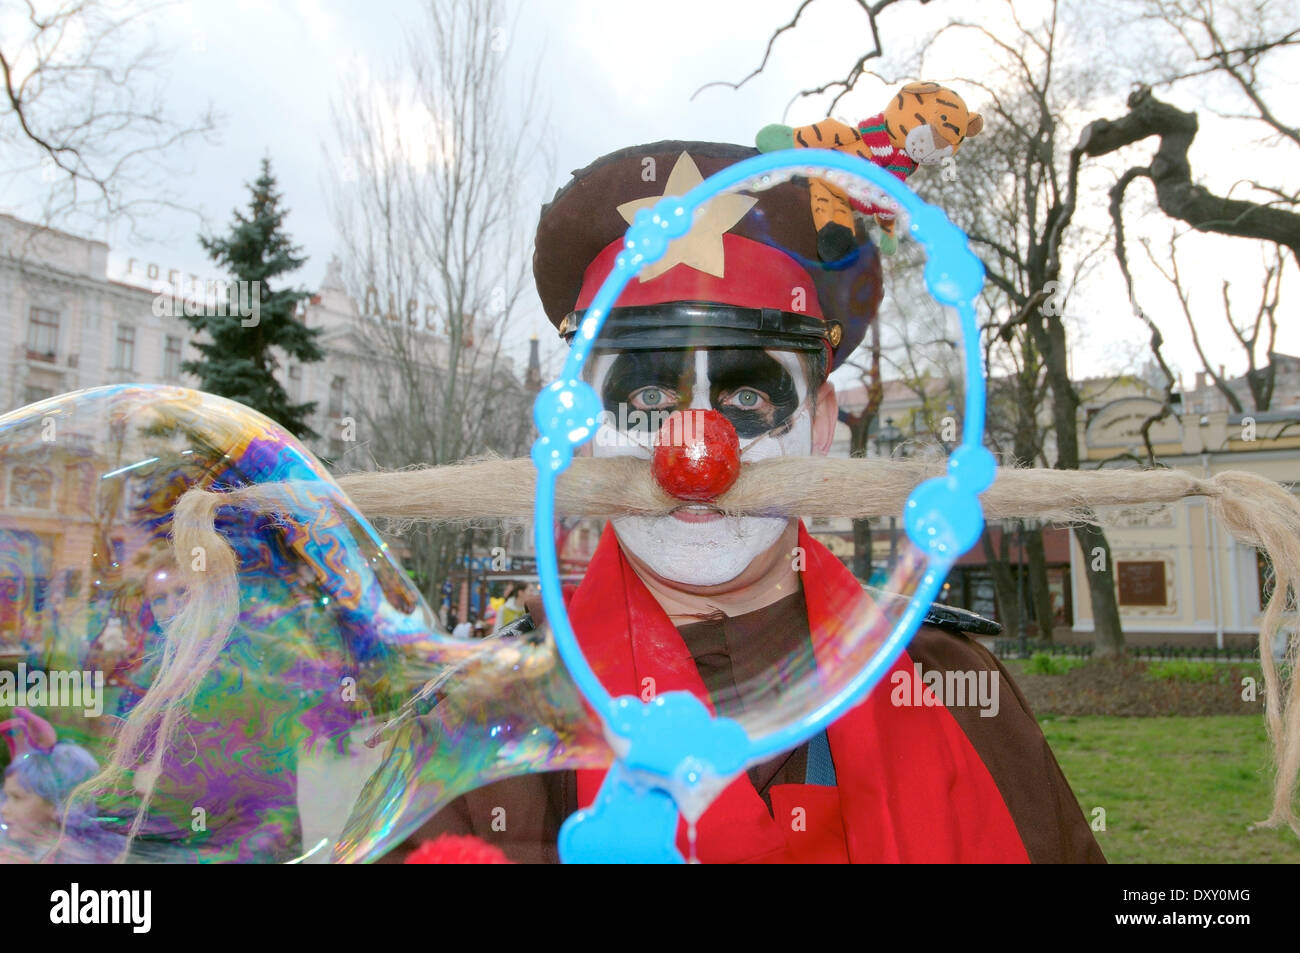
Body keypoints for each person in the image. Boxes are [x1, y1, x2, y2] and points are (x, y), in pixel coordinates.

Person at [395, 141, 1105, 863]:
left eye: (747, 394)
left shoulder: (949, 685)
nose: (698, 453)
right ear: (580, 429)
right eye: (645, 395)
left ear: (822, 425)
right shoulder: (483, 726)